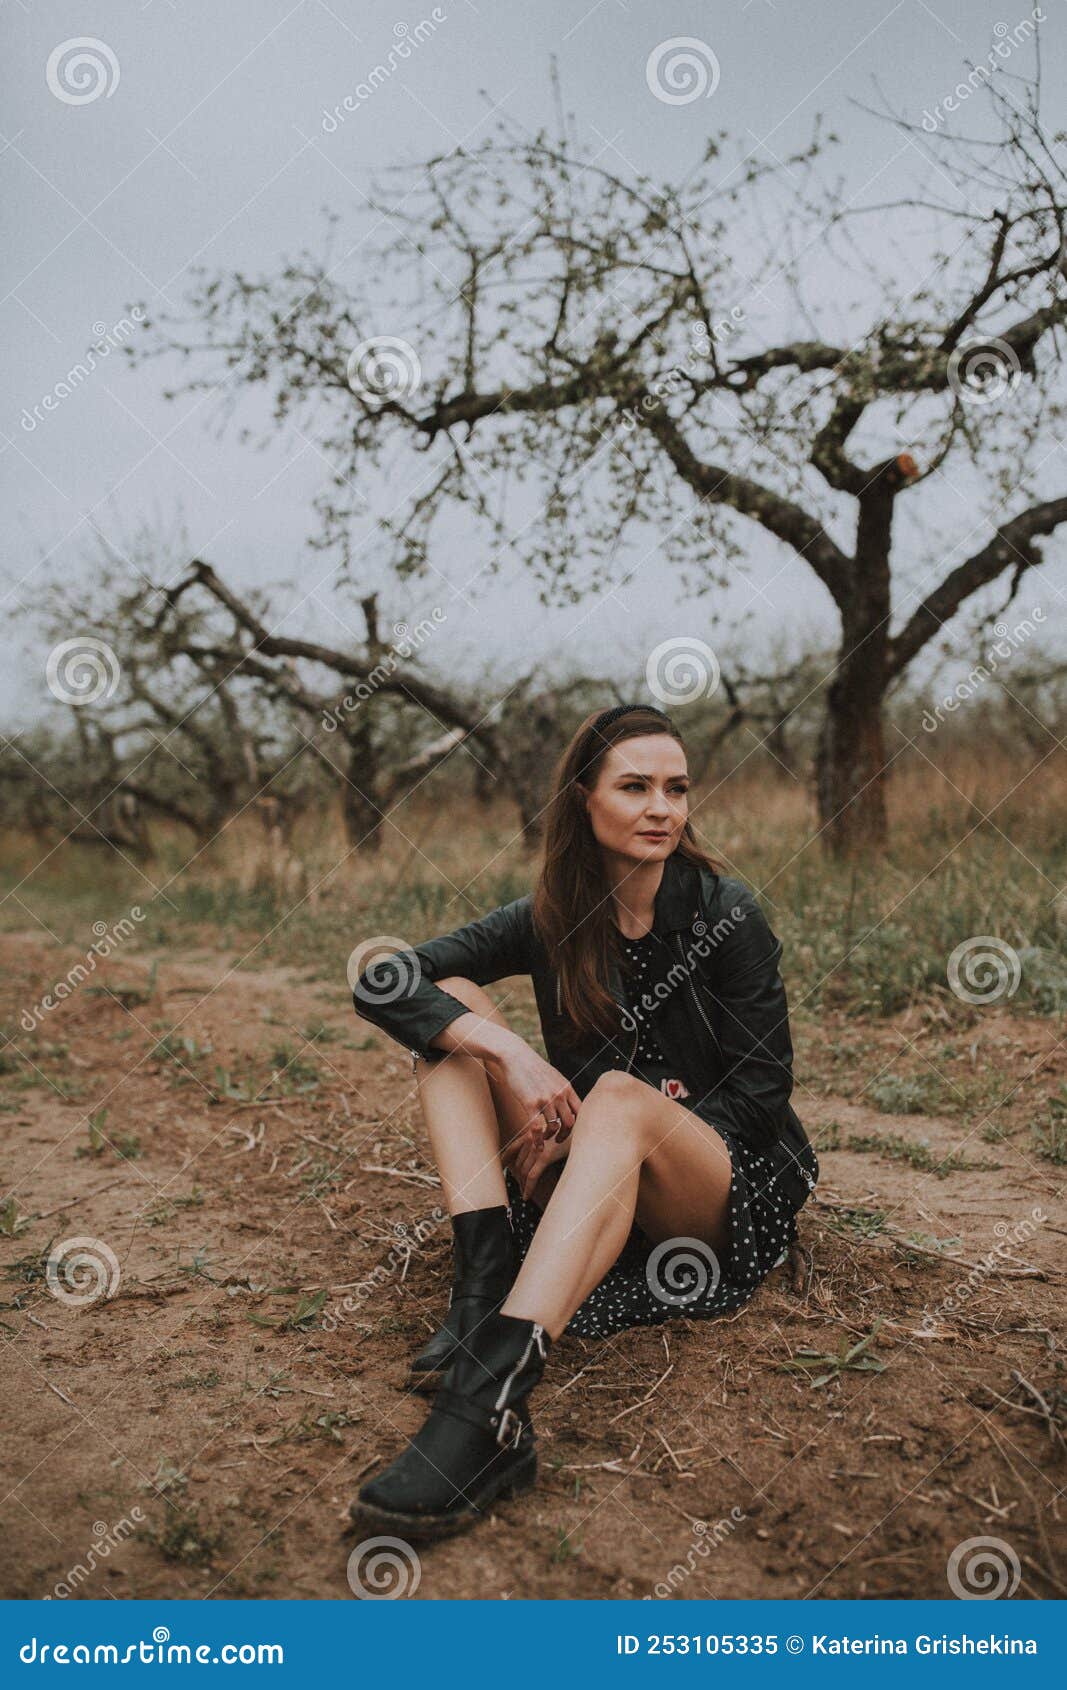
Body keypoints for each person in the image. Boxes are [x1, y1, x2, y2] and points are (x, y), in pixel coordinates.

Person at [347, 702, 818, 1541]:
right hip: (592, 1177)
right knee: (451, 1006)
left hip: (717, 1193)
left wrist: (609, 1121)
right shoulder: (549, 917)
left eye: (676, 788)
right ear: (582, 800)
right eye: (635, 787)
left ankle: (490, 1399)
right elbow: (383, 982)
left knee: (619, 1098)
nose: (662, 809)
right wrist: (509, 1054)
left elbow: (760, 1100)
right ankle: (483, 1284)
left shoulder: (725, 914)